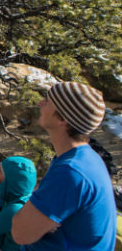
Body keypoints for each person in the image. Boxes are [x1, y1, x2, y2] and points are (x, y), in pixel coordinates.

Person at [11, 82, 115, 250]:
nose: (40, 103)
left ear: (63, 119)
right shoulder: (84, 158)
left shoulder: (71, 172)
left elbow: (20, 232)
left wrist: (34, 215)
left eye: (47, 101)